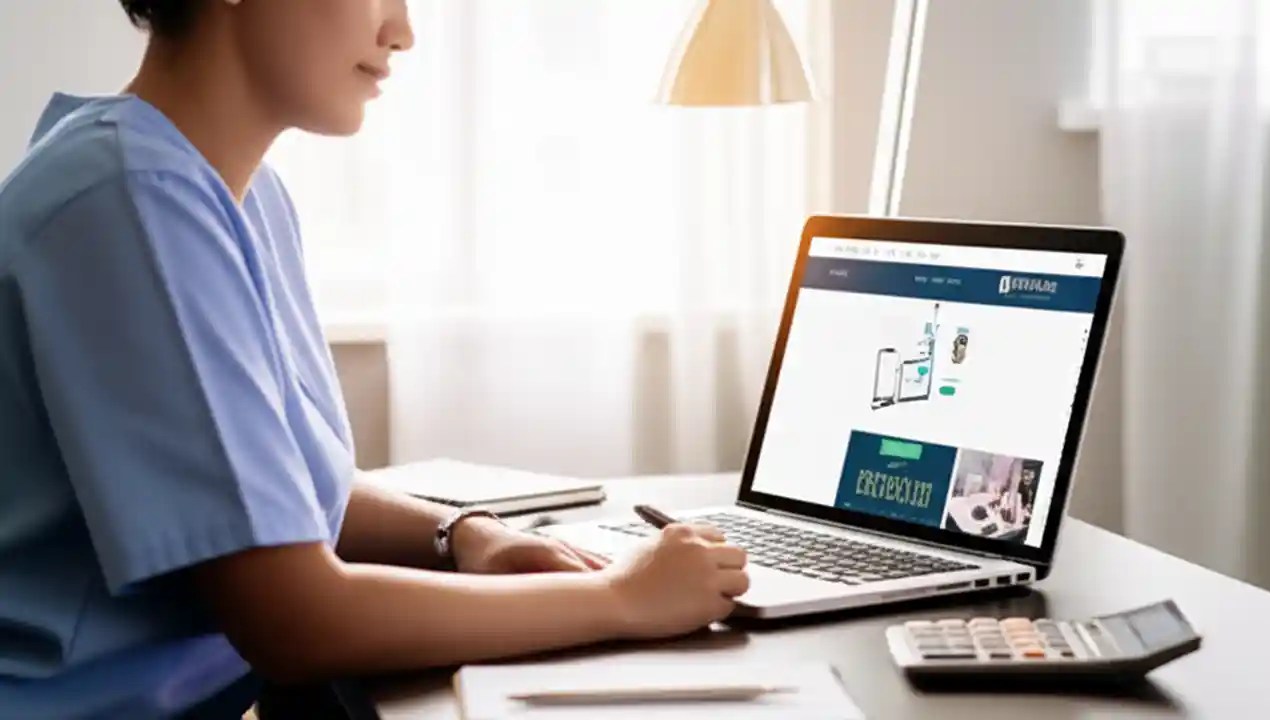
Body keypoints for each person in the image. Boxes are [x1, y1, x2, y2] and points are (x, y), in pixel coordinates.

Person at [0, 1, 749, 717]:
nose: (403, 31)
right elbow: (296, 619)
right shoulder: (131, 200)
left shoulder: (231, 194)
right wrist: (621, 600)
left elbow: (266, 497)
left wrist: (463, 535)